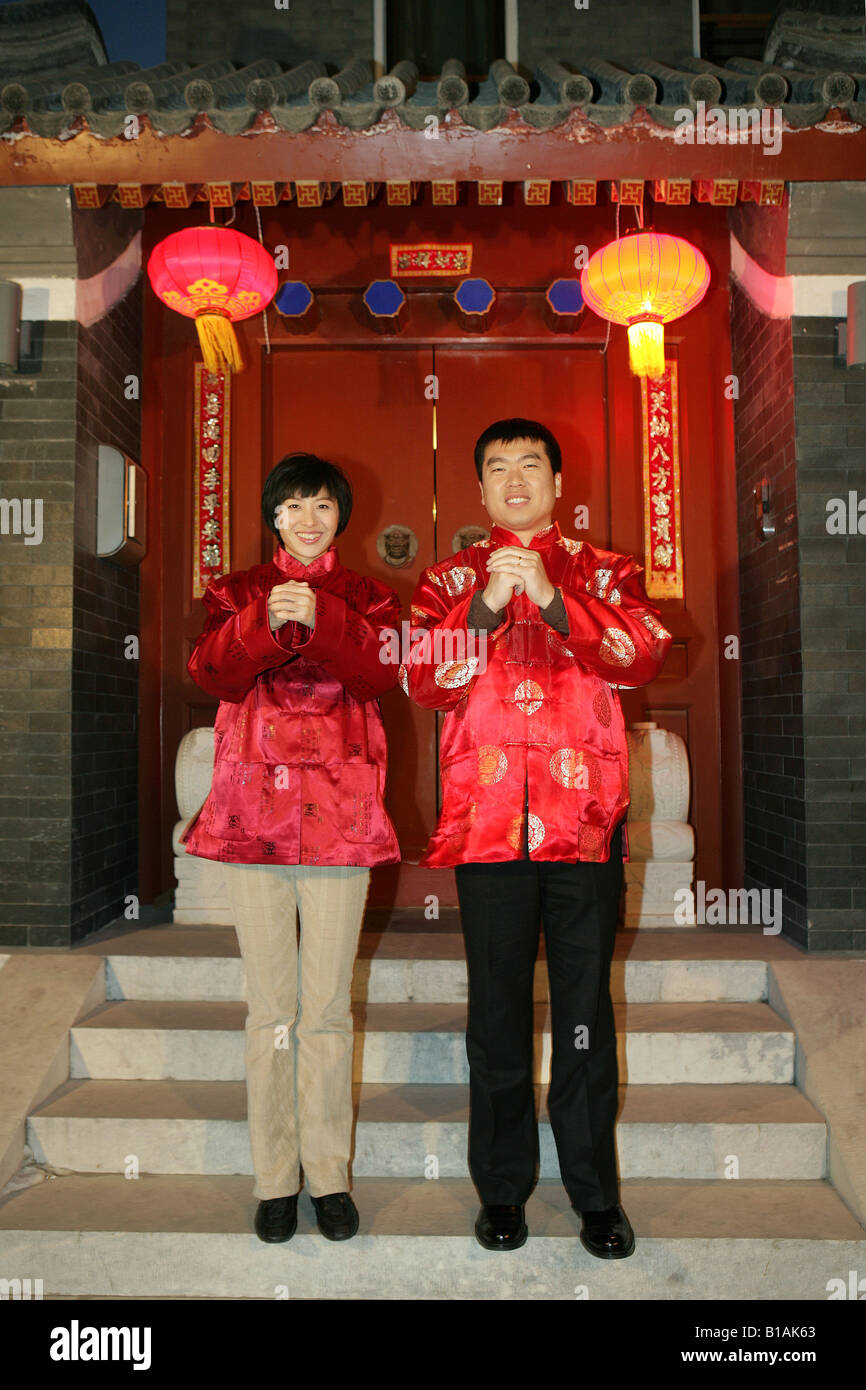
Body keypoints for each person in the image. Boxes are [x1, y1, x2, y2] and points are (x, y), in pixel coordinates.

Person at [401, 418, 672, 1259]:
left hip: (583, 828)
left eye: (530, 465)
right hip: (487, 832)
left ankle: (595, 1195)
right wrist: (482, 603)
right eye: (496, 468)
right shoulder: (446, 579)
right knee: (498, 1016)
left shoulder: (606, 570)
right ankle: (503, 1191)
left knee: (585, 1014)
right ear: (479, 491)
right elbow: (421, 678)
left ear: (558, 481)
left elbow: (639, 658)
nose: (514, 479)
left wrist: (555, 600)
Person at [181, 453, 401, 1244]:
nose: (307, 520)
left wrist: (325, 618)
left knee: (328, 1010)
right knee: (271, 1008)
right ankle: (275, 1181)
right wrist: (259, 623)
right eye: (292, 507)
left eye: (321, 506)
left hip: (341, 817)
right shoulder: (234, 592)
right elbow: (209, 672)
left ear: (342, 517)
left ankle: (329, 1177)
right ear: (271, 517)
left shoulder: (370, 595)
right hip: (255, 820)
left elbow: (382, 672)